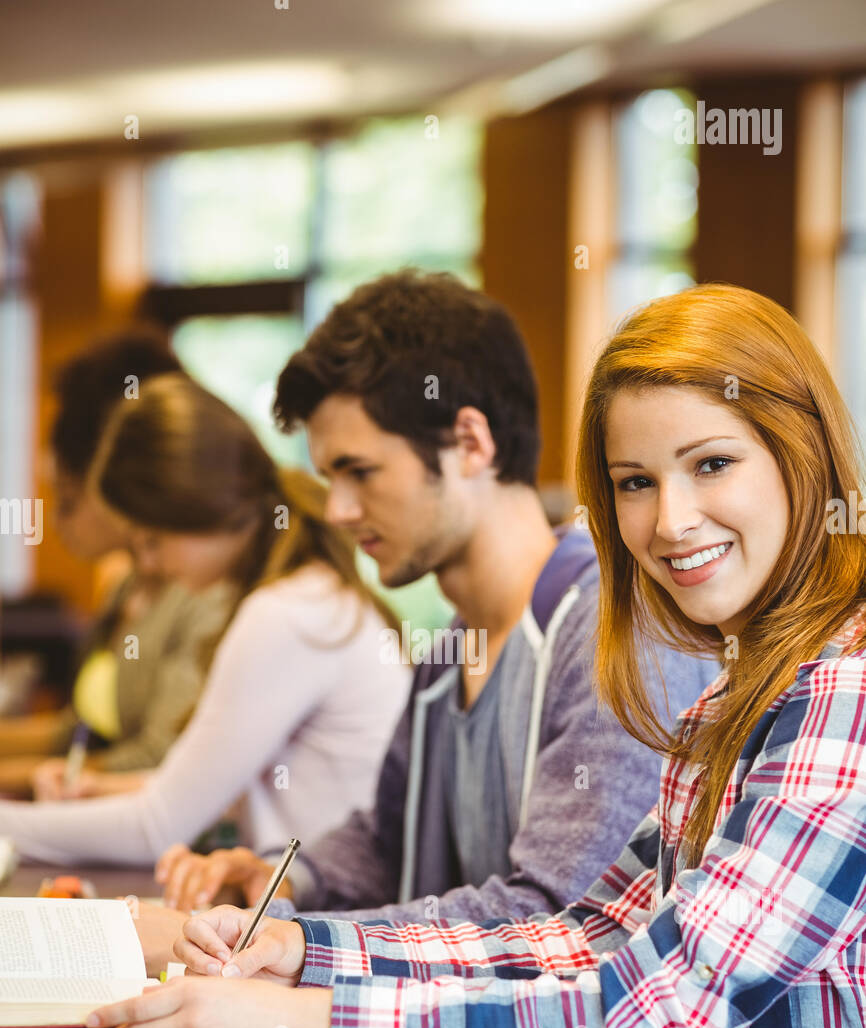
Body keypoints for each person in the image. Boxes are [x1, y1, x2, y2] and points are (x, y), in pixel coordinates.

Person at [95, 283, 866, 1028]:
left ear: (802, 454)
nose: (670, 521)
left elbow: (650, 1008)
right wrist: (305, 952)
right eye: (635, 484)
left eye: (711, 465)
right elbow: (586, 936)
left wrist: (304, 1026)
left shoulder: (841, 694)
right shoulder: (732, 704)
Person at [150, 269, 712, 926]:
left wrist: (279, 938)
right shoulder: (451, 648)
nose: (337, 508)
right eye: (329, 476)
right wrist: (280, 878)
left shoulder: (615, 631)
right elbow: (389, 843)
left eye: (359, 471)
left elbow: (560, 919)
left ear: (469, 444)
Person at [0, 373, 409, 862]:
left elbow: (157, 828)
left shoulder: (288, 614)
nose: (148, 564)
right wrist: (106, 788)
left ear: (202, 511)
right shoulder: (304, 594)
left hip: (326, 915)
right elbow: (208, 789)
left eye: (152, 540)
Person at [0, 328, 232, 797]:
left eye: (66, 498)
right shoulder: (126, 588)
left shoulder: (206, 591)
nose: (57, 521)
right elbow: (79, 732)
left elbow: (158, 761)